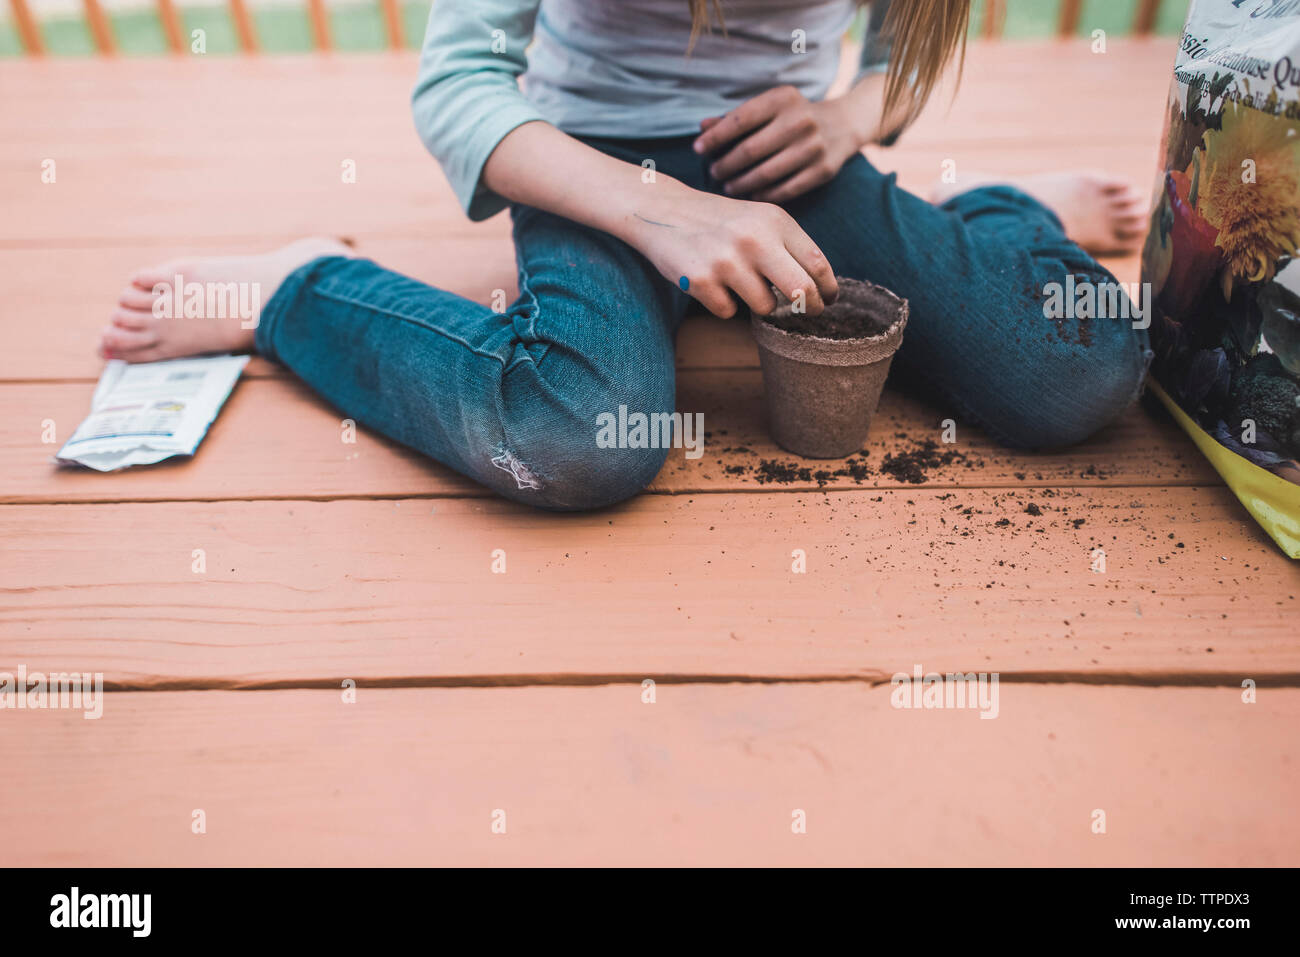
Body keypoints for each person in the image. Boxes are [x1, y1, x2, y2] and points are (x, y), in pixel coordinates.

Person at [99, 0, 1152, 510]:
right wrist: (656, 210)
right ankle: (301, 287)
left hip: (789, 161)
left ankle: (989, 213)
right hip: (588, 167)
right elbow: (460, 85)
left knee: (1080, 370)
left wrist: (848, 119)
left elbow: (908, 57)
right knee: (575, 441)